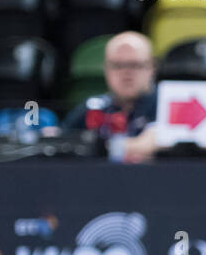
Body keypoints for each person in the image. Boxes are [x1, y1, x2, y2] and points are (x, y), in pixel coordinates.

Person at [61, 31, 160, 161]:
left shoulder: (167, 104)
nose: (126, 73)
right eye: (117, 65)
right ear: (106, 69)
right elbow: (62, 143)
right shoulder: (93, 107)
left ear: (151, 67)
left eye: (134, 65)